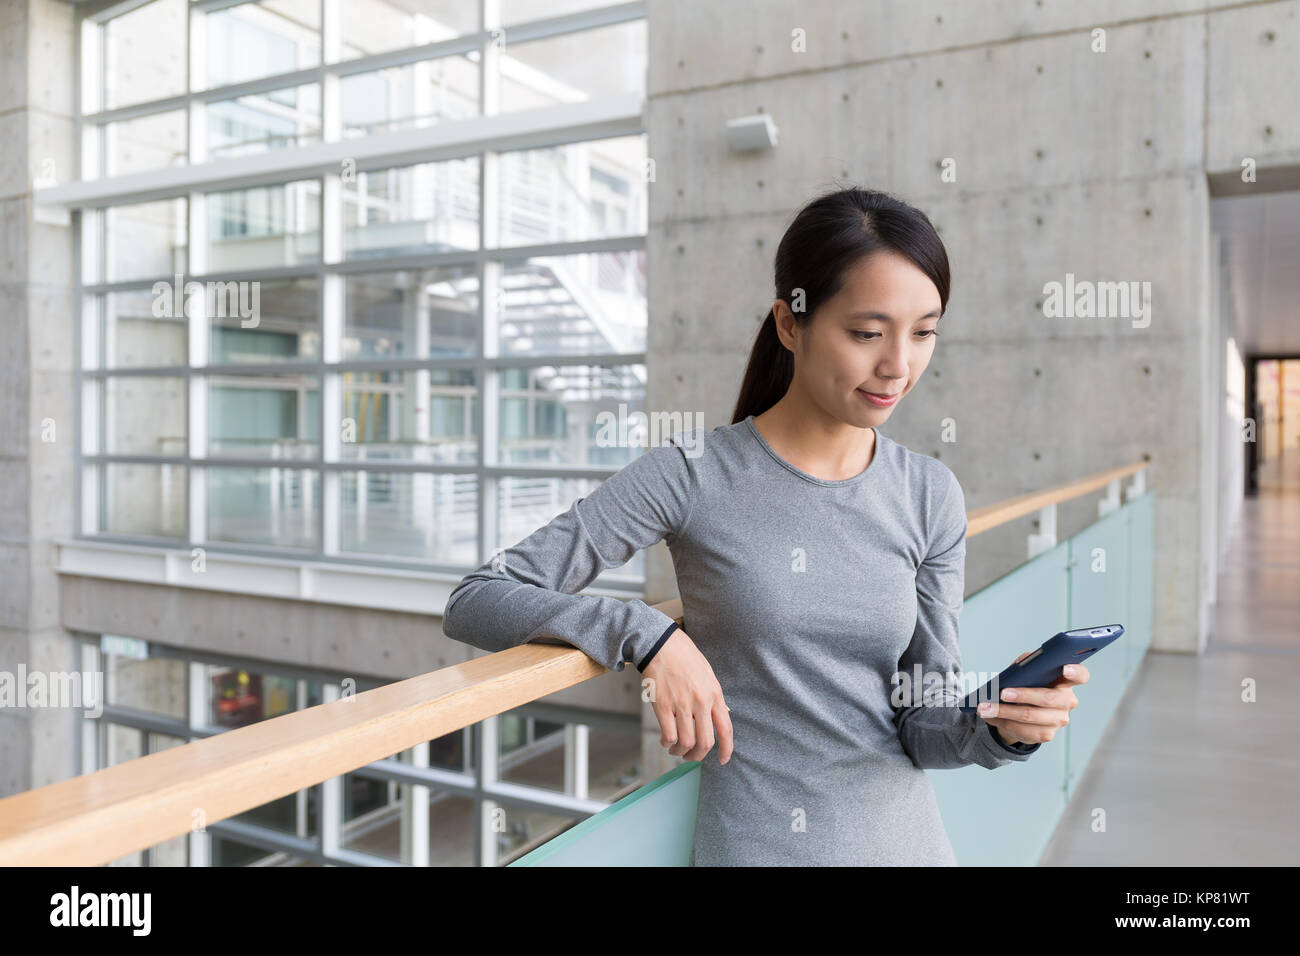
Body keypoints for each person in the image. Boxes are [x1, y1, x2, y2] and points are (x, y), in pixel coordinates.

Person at [442, 185, 1086, 865]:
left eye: (923, 332)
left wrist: (1000, 727)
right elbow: (477, 598)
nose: (899, 365)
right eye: (867, 333)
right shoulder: (691, 474)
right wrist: (647, 635)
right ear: (791, 322)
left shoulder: (930, 495)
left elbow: (924, 725)